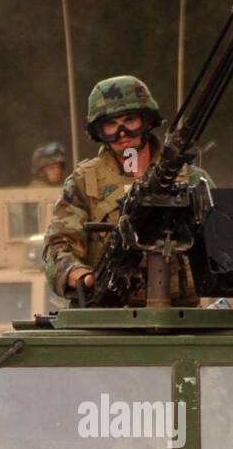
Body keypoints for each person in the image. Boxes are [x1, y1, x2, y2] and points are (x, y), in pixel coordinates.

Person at [42, 75, 214, 307]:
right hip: (106, 319)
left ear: (146, 121)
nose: (121, 133)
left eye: (129, 120)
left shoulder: (191, 179)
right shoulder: (83, 183)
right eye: (111, 125)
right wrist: (78, 274)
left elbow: (228, 244)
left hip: (181, 317)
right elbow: (58, 246)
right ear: (99, 131)